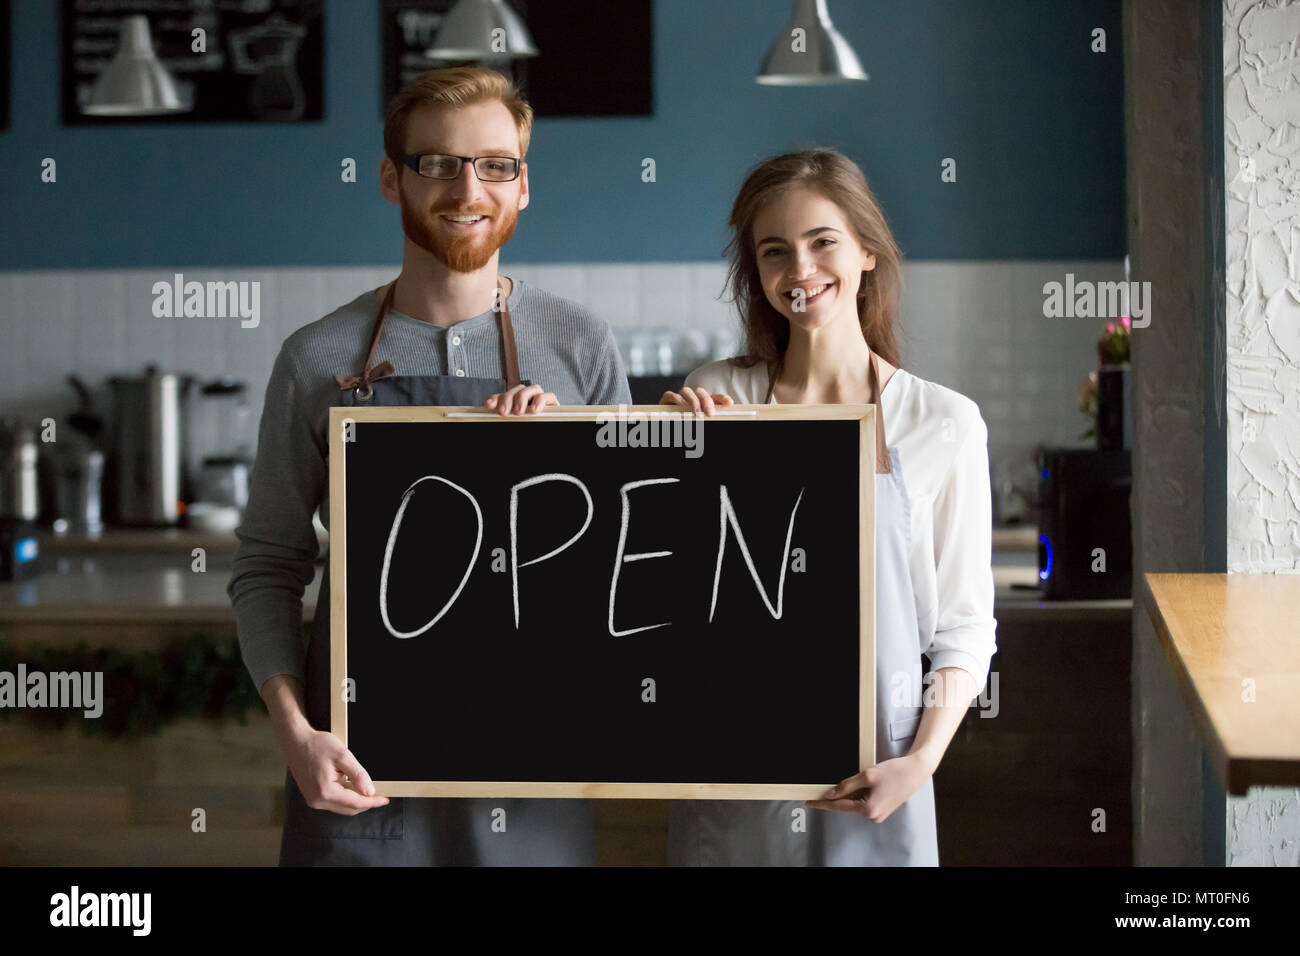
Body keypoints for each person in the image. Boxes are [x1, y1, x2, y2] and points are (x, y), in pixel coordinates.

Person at [227, 67, 631, 866]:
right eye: (437, 163)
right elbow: (268, 565)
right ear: (391, 178)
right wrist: (296, 734)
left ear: (522, 186)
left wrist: (570, 475)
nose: (466, 187)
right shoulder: (317, 358)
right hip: (362, 776)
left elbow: (632, 566)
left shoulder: (581, 346)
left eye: (494, 164)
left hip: (535, 778)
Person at [660, 149, 997, 865]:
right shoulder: (719, 394)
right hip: (733, 761)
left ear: (868, 251)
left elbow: (966, 629)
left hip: (878, 770)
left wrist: (921, 761)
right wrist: (672, 459)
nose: (800, 270)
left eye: (822, 242)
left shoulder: (942, 422)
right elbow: (674, 604)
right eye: (775, 251)